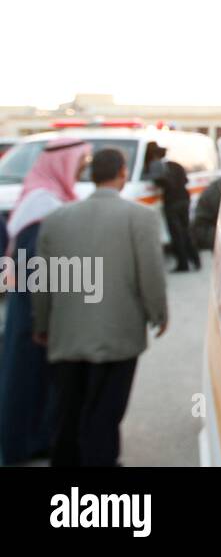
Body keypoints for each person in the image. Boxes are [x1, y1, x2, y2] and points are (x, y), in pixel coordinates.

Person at [32, 148, 168, 467]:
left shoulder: (56, 219)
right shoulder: (141, 218)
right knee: (106, 410)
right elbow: (150, 273)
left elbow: (40, 280)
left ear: (91, 176)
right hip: (117, 336)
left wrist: (41, 324)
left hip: (66, 336)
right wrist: (158, 314)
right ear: (122, 172)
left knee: (69, 408)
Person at [0, 137, 91, 464]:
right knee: (28, 380)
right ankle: (25, 443)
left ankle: (33, 438)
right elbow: (38, 273)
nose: (82, 167)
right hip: (35, 315)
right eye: (80, 161)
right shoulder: (43, 205)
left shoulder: (46, 197)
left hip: (32, 309)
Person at [145, 144, 199, 271]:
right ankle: (196, 260)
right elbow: (185, 180)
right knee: (186, 230)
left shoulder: (157, 167)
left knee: (176, 233)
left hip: (172, 202)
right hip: (184, 199)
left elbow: (160, 181)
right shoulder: (176, 165)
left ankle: (183, 264)